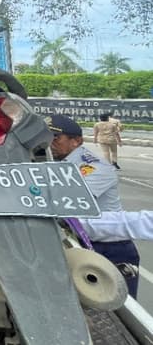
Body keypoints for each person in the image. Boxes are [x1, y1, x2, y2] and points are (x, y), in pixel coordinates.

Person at [47, 114, 142, 298]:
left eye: (55, 137)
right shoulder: (54, 163)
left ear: (76, 141)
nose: (49, 142)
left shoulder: (95, 168)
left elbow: (64, 201)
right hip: (77, 243)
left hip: (109, 247)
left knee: (121, 311)